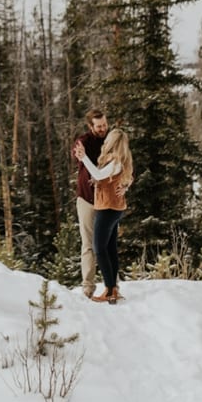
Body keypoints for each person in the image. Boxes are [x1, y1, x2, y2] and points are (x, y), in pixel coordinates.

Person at [89, 128, 134, 305]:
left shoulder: (115, 162)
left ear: (112, 142)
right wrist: (126, 186)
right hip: (114, 208)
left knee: (99, 248)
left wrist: (83, 158)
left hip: (108, 208)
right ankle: (113, 288)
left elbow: (98, 175)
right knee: (110, 248)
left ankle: (109, 289)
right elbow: (128, 178)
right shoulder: (121, 160)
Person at [69, 109, 110, 298]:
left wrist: (127, 182)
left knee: (107, 243)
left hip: (107, 199)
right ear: (90, 126)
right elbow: (77, 151)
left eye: (104, 124)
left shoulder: (112, 140)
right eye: (99, 126)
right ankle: (87, 286)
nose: (103, 128)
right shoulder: (84, 141)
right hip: (86, 198)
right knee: (88, 243)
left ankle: (111, 284)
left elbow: (125, 161)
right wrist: (79, 154)